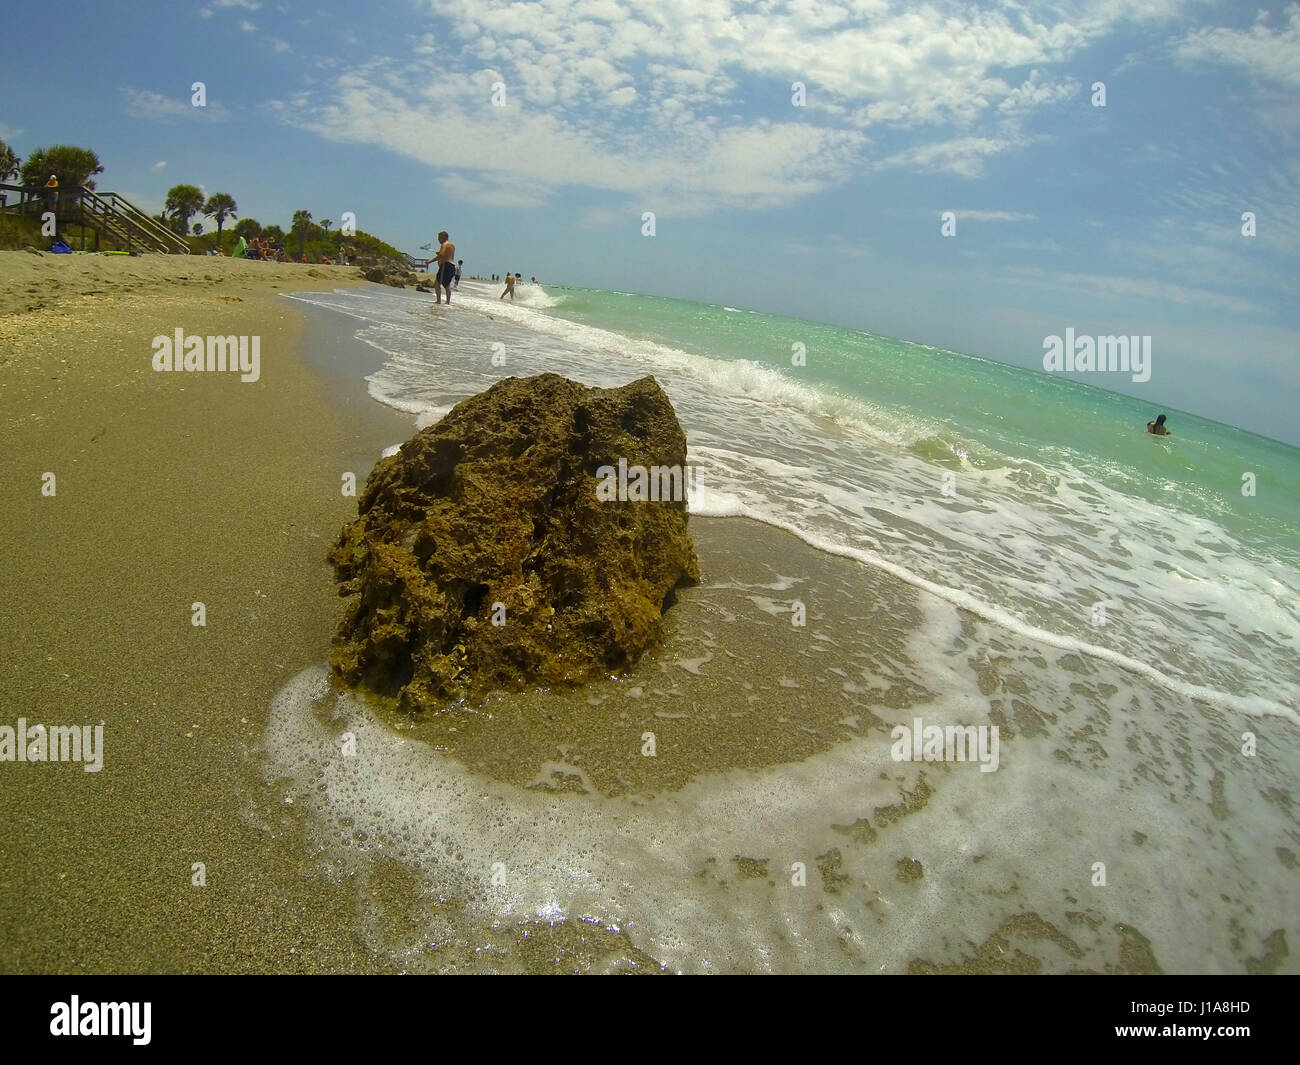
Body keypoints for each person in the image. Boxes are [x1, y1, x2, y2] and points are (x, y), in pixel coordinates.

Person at [433, 230, 456, 304]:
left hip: (446, 266)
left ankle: (438, 301)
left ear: (444, 237)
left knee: (437, 283)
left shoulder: (444, 245)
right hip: (452, 266)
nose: (438, 239)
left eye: (439, 237)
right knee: (447, 284)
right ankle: (447, 302)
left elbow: (441, 255)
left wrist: (430, 261)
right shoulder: (452, 245)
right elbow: (447, 255)